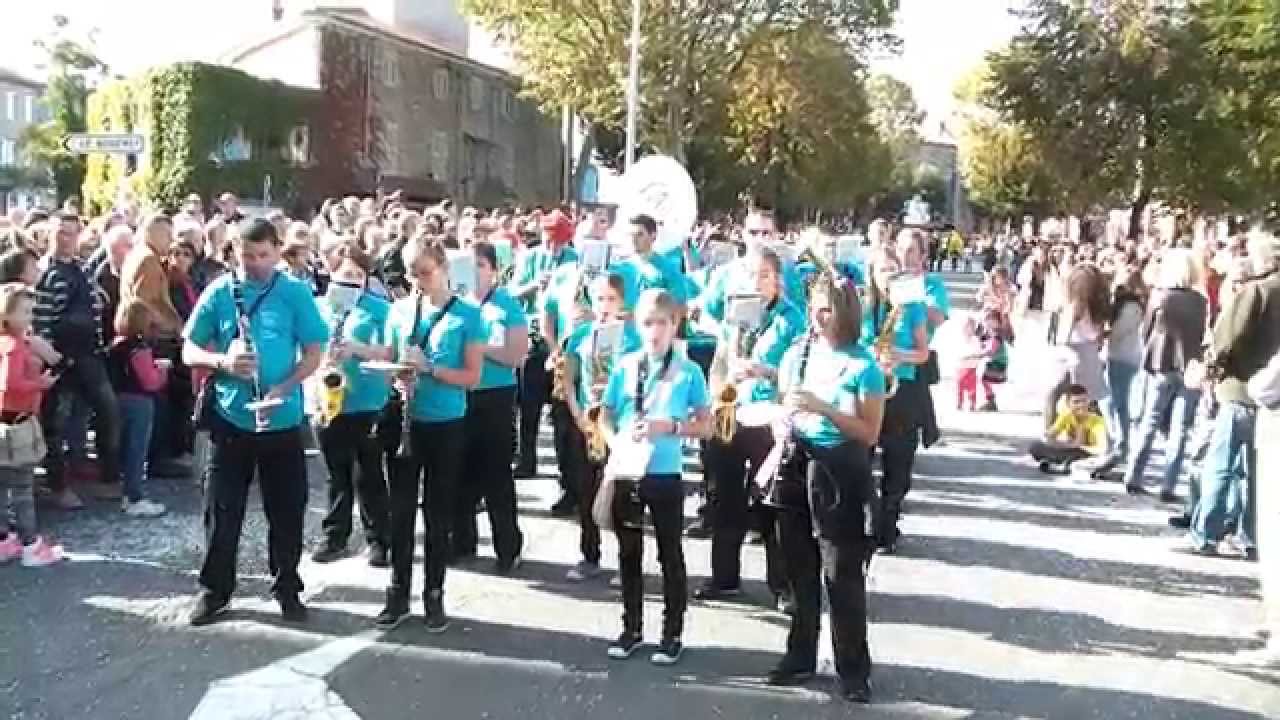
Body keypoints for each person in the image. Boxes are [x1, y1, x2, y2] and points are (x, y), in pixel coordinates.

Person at [182, 218, 329, 626]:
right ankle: (214, 590)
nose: (256, 264)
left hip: (281, 419)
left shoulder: (295, 292)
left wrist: (286, 387)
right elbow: (189, 349)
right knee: (222, 509)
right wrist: (222, 361)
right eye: (247, 256)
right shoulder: (220, 291)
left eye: (264, 255)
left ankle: (287, 588)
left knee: (287, 510)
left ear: (278, 251)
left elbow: (314, 352)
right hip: (231, 418)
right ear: (234, 252)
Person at [761, 268, 885, 703]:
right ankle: (800, 656)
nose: (818, 317)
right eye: (815, 309)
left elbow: (869, 432)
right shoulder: (799, 352)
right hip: (796, 460)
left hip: (838, 468)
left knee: (841, 572)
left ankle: (853, 669)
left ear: (845, 312)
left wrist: (823, 408)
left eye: (827, 310)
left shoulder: (863, 365)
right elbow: (783, 398)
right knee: (798, 568)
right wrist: (781, 417)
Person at [375, 238, 484, 632]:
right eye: (411, 273)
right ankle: (397, 591)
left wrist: (431, 370)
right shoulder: (400, 310)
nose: (417, 281)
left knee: (438, 512)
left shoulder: (468, 315)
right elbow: (390, 359)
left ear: (443, 268)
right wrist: (395, 375)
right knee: (400, 509)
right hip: (406, 419)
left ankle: (434, 593)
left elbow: (472, 377)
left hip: (446, 422)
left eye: (424, 272)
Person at [600, 288, 711, 666]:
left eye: (662, 323)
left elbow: (707, 425)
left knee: (669, 553)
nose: (655, 331)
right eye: (648, 323)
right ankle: (631, 628)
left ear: (674, 324)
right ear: (637, 325)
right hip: (629, 468)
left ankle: (672, 633)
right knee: (629, 552)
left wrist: (673, 427)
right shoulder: (626, 365)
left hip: (665, 471)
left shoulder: (688, 370)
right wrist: (615, 441)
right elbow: (606, 413)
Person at [695, 247, 800, 606]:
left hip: (769, 416)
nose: (755, 282)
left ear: (777, 280)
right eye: (751, 274)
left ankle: (783, 585)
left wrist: (764, 371)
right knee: (724, 498)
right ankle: (724, 578)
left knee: (771, 501)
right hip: (732, 412)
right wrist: (716, 400)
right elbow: (720, 363)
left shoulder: (792, 320)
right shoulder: (735, 314)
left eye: (763, 275)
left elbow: (797, 372)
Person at [1188, 232, 1280, 559]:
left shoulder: (1258, 292)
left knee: (1221, 464)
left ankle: (1206, 533)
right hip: (1272, 396)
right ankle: (1251, 536)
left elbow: (1226, 339)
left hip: (1240, 388)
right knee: (1257, 472)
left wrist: (1209, 367)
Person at [309, 244, 393, 568]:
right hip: (328, 399)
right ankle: (335, 536)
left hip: (367, 398)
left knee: (369, 472)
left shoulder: (379, 308)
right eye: (345, 273)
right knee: (336, 473)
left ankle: (379, 540)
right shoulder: (319, 307)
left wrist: (357, 349)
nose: (352, 280)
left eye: (358, 274)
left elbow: (390, 351)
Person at [35, 212, 121, 508]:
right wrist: (51, 359)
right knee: (55, 424)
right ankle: (57, 486)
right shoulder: (45, 272)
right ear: (50, 234)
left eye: (72, 233)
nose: (66, 239)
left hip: (88, 355)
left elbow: (95, 308)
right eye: (61, 232)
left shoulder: (82, 269)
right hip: (59, 357)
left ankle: (107, 480)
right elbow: (41, 320)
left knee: (108, 412)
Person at [453, 241, 529, 574]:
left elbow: (516, 355)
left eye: (481, 266)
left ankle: (508, 548)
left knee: (496, 473)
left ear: (494, 271)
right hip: (459, 393)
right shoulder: (453, 305)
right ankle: (462, 541)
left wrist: (480, 348)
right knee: (459, 472)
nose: (475, 272)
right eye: (470, 266)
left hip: (495, 395)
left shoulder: (507, 306)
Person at [560, 272, 639, 582]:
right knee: (585, 489)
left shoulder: (632, 338)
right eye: (599, 299)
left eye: (611, 299)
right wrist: (578, 414)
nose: (604, 305)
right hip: (587, 420)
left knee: (620, 493)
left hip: (618, 423)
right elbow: (569, 379)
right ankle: (589, 554)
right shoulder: (581, 334)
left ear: (622, 302)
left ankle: (626, 562)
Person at [1116, 254, 1202, 498]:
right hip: (1189, 365)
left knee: (1150, 421)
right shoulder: (1200, 301)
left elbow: (1146, 330)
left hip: (1161, 363)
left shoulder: (1159, 297)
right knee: (1180, 428)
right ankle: (1168, 484)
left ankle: (1134, 475)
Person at [508, 210, 578, 507]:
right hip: (534, 339)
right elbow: (512, 292)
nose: (552, 246)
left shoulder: (575, 260)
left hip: (563, 341)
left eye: (558, 241)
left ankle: (567, 479)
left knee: (562, 411)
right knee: (528, 404)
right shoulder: (530, 257)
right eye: (549, 240)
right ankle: (527, 459)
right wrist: (535, 285)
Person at [863, 249, 929, 553]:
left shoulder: (913, 306)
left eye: (893, 269)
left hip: (903, 390)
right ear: (872, 274)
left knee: (898, 461)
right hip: (868, 387)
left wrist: (897, 356)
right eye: (882, 270)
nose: (888, 275)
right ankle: (869, 520)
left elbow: (923, 353)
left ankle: (888, 524)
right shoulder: (864, 305)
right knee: (861, 458)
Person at [0, 282, 64, 566]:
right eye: (25, 312)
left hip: (5, 422)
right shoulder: (14, 347)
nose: (30, 318)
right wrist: (40, 383)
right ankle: (30, 545)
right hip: (18, 424)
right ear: (7, 314)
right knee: (23, 488)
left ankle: (4, 540)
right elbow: (9, 384)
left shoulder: (6, 343)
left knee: (3, 486)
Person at [107, 299, 170, 518]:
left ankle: (119, 487)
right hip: (139, 401)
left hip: (116, 399)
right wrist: (162, 370)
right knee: (137, 449)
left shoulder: (116, 345)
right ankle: (134, 496)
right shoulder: (139, 348)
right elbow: (150, 382)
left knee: (121, 447)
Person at [1030, 384, 1107, 473]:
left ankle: (1061, 465)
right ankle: (1060, 464)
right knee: (1036, 446)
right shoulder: (1067, 415)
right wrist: (1064, 444)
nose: (1081, 405)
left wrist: (1078, 445)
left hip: (1087, 453)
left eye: (1084, 401)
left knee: (1077, 455)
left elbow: (1102, 450)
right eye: (1076, 402)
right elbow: (1050, 435)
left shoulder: (1097, 421)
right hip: (1069, 449)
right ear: (1068, 404)